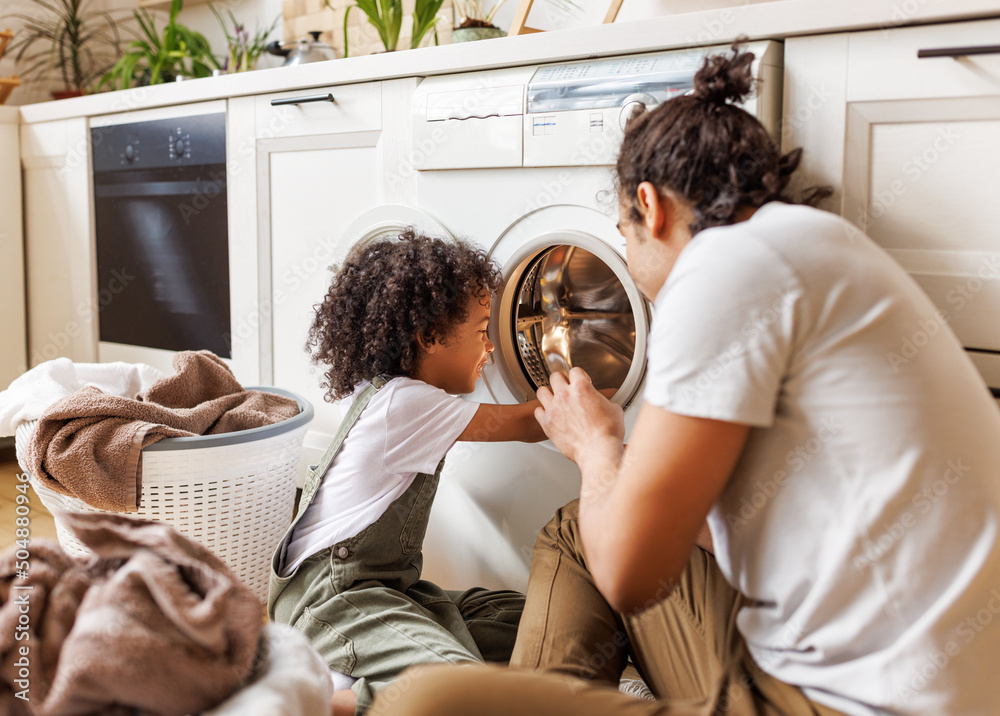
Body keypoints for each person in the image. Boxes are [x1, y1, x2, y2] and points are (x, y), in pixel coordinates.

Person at [365, 45, 1000, 716]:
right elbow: (746, 519)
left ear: (651, 206)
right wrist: (621, 476)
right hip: (932, 687)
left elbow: (633, 576)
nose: (631, 262)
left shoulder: (723, 264)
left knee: (424, 704)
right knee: (585, 524)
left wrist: (597, 448)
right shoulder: (817, 246)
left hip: (839, 705)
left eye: (623, 236)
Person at [267, 230, 546, 716]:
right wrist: (597, 395)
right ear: (431, 337)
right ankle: (328, 700)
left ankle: (371, 665)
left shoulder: (390, 393)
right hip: (332, 598)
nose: (493, 350)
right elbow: (527, 424)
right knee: (458, 690)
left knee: (526, 618)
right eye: (483, 331)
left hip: (387, 588)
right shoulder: (405, 402)